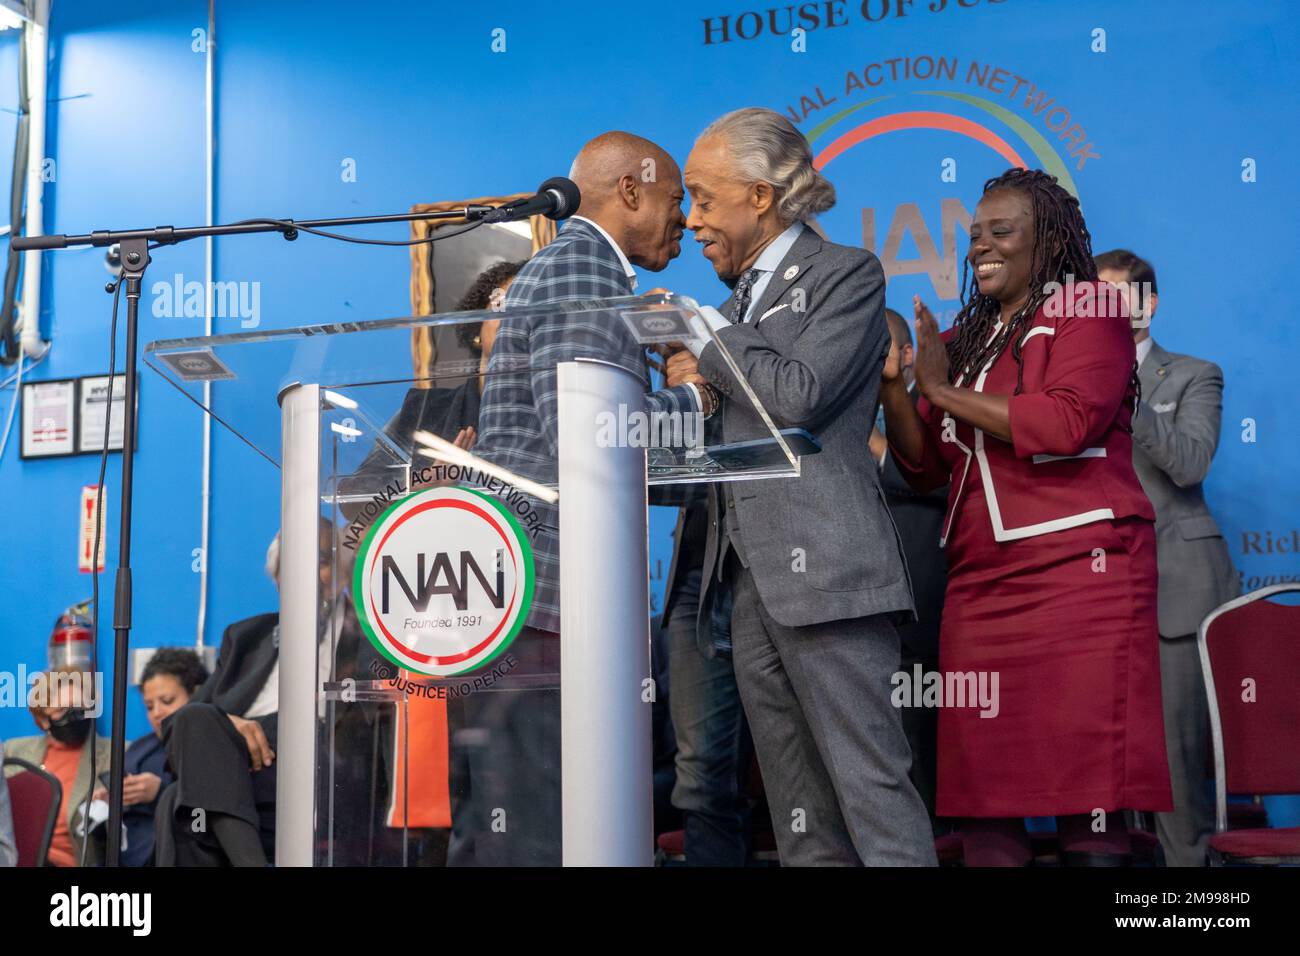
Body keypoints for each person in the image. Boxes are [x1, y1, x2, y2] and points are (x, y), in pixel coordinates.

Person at [882, 168, 1173, 866]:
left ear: (1047, 244)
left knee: (1090, 804)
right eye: (975, 234)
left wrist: (941, 389)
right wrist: (897, 388)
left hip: (1082, 578)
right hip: (981, 591)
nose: (981, 245)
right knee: (987, 810)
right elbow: (923, 468)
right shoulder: (963, 337)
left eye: (1001, 232)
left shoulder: (1089, 308)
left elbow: (1067, 421)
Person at [682, 107, 935, 866]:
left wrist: (706, 341)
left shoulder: (847, 274)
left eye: (702, 198)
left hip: (827, 571)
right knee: (797, 817)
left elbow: (799, 394)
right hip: (746, 585)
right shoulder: (728, 309)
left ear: (760, 195)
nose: (692, 221)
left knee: (872, 794)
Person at [458, 130, 704, 865]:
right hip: (553, 606)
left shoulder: (585, 269)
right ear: (629, 190)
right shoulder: (583, 269)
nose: (685, 219)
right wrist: (694, 397)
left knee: (552, 829)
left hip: (551, 608)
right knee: (541, 837)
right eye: (675, 199)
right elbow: (593, 433)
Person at [1096, 248, 1238, 867]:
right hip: (1096, 596)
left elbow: (1190, 464)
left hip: (1175, 595)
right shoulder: (1067, 384)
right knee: (1108, 775)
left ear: (1148, 305)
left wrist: (1124, 394)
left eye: (1115, 295)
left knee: (1179, 771)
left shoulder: (1194, 374)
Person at [870, 307, 949, 828]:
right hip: (862, 616)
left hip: (923, 612)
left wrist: (872, 446)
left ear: (906, 355)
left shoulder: (937, 405)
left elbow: (941, 479)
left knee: (925, 757)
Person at [91, 648, 208, 866]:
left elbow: (203, 822)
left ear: (196, 694)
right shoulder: (139, 748)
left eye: (167, 700)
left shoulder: (212, 750)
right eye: (149, 706)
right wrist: (112, 801)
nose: (157, 713)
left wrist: (161, 794)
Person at [3, 664, 111, 867]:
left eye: (80, 708)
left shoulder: (116, 754)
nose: (73, 716)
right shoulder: (12, 751)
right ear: (43, 720)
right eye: (61, 710)